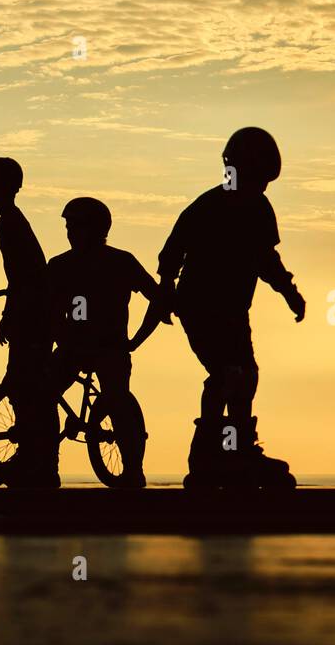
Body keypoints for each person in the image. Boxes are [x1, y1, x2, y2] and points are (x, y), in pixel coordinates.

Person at [131, 127, 305, 488]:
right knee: (228, 375)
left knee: (246, 376)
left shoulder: (258, 208)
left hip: (234, 312)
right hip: (198, 307)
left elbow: (265, 259)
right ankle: (207, 454)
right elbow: (171, 252)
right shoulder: (207, 206)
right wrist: (165, 287)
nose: (262, 187)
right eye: (259, 178)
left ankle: (237, 450)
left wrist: (289, 292)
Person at [46, 197, 159, 488]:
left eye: (75, 227)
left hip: (102, 349)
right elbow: (159, 299)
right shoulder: (68, 264)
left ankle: (132, 469)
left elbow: (158, 299)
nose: (70, 233)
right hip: (83, 348)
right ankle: (49, 464)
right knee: (45, 395)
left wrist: (137, 340)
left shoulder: (115, 262)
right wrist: (137, 340)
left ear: (95, 229)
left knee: (116, 404)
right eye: (68, 227)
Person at [0, 157, 58, 488]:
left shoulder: (9, 223)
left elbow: (23, 277)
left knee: (25, 387)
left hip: (34, 316)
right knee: (28, 387)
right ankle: (36, 459)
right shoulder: (10, 221)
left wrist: (8, 314)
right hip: (36, 313)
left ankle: (38, 461)